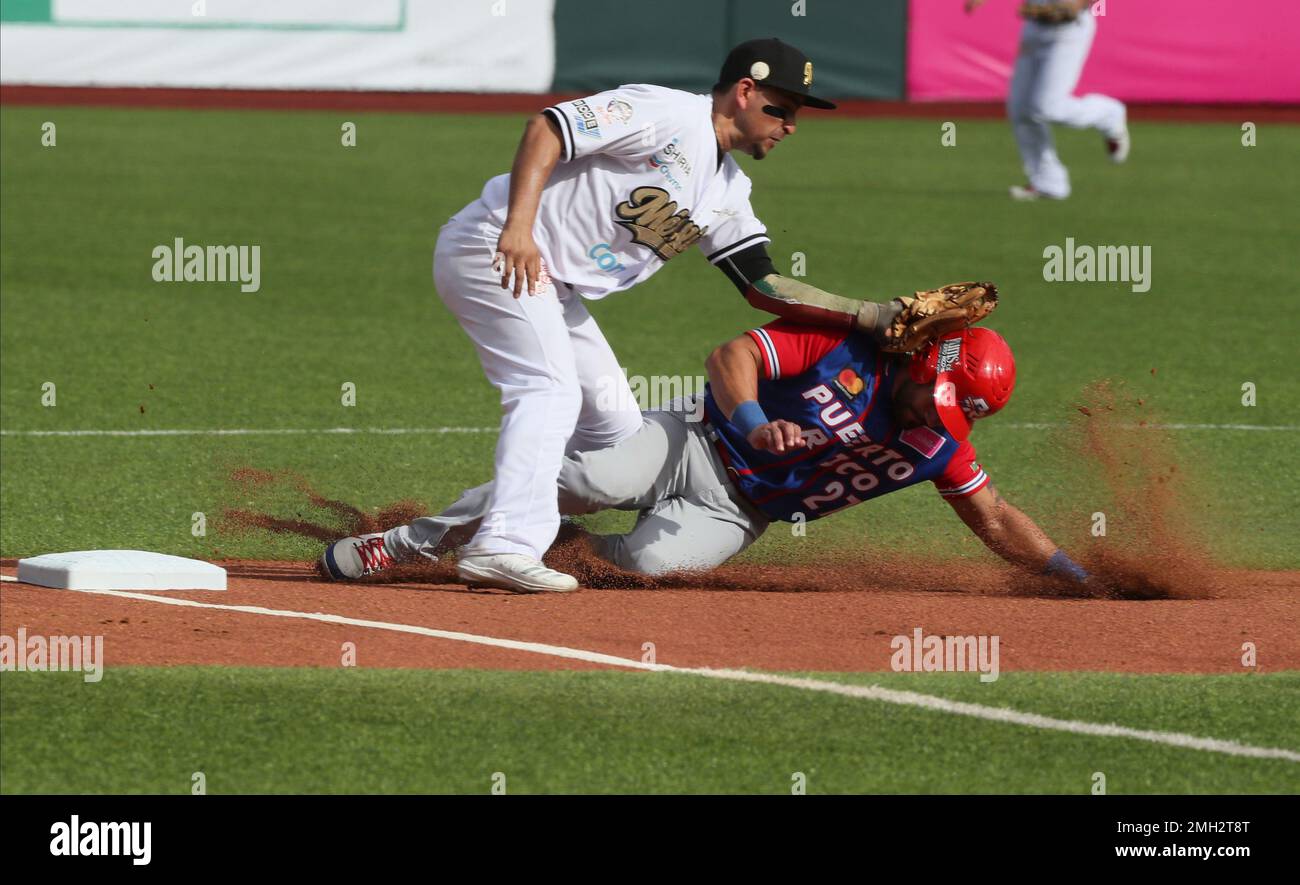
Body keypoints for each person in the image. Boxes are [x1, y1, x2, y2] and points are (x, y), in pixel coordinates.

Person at [326, 38, 924, 592]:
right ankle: (503, 544)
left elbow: (762, 283)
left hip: (553, 288)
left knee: (616, 443)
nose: (791, 125)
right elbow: (548, 128)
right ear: (744, 92)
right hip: (494, 251)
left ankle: (406, 545)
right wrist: (517, 227)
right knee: (548, 391)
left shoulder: (728, 192)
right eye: (781, 108)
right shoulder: (666, 114)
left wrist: (869, 314)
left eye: (797, 115)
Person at [323, 323, 1091, 589]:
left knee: (638, 569)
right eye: (942, 398)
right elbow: (731, 355)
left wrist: (1075, 578)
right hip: (695, 439)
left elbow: (994, 517)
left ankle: (539, 543)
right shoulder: (846, 347)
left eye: (957, 415)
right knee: (583, 477)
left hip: (741, 512)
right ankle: (403, 543)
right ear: (927, 366)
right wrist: (756, 423)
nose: (940, 417)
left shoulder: (938, 443)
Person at [966, 0, 1130, 200]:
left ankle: (1109, 114)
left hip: (1068, 30)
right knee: (1020, 108)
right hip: (1035, 27)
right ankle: (1048, 182)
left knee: (1048, 107)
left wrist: (1077, 4)